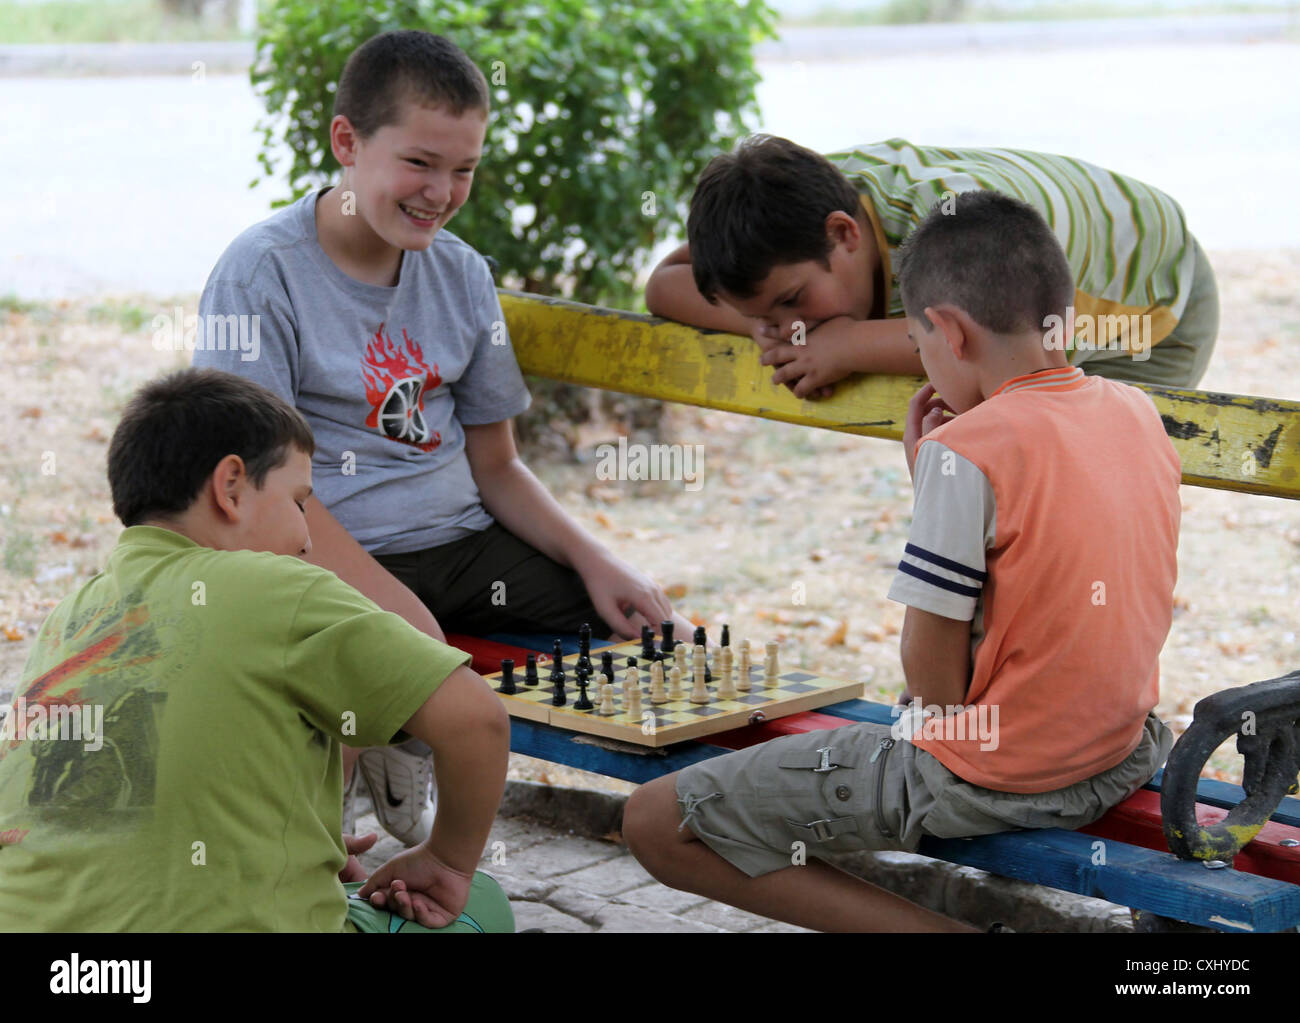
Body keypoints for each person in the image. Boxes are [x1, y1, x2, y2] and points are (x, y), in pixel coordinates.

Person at [623, 191, 1181, 932]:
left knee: (656, 820)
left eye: (919, 347)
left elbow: (932, 684)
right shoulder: (1135, 411)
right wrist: (942, 482)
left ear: (948, 331)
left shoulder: (966, 453)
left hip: (994, 773)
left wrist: (944, 474)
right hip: (1121, 751)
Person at [192, 30, 688, 847]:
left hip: (462, 546)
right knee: (383, 650)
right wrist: (403, 624)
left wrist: (600, 561)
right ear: (347, 142)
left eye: (464, 169)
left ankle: (406, 741)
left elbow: (499, 464)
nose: (442, 192)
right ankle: (316, 827)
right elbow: (261, 494)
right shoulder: (261, 275)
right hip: (314, 552)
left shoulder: (460, 273)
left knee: (648, 631)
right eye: (419, 163)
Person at [0, 368, 513, 933]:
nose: (308, 538)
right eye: (299, 501)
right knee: (483, 905)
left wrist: (300, 839)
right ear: (231, 487)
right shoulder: (279, 586)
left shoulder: (68, 618)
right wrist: (446, 862)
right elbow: (478, 721)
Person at [645, 135, 1218, 397]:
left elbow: (985, 338)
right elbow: (664, 285)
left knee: (1077, 487)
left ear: (844, 234)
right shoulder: (788, 210)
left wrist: (845, 346)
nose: (787, 327)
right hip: (1018, 309)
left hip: (1149, 300)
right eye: (762, 314)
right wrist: (766, 329)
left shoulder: (949, 222)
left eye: (792, 301)